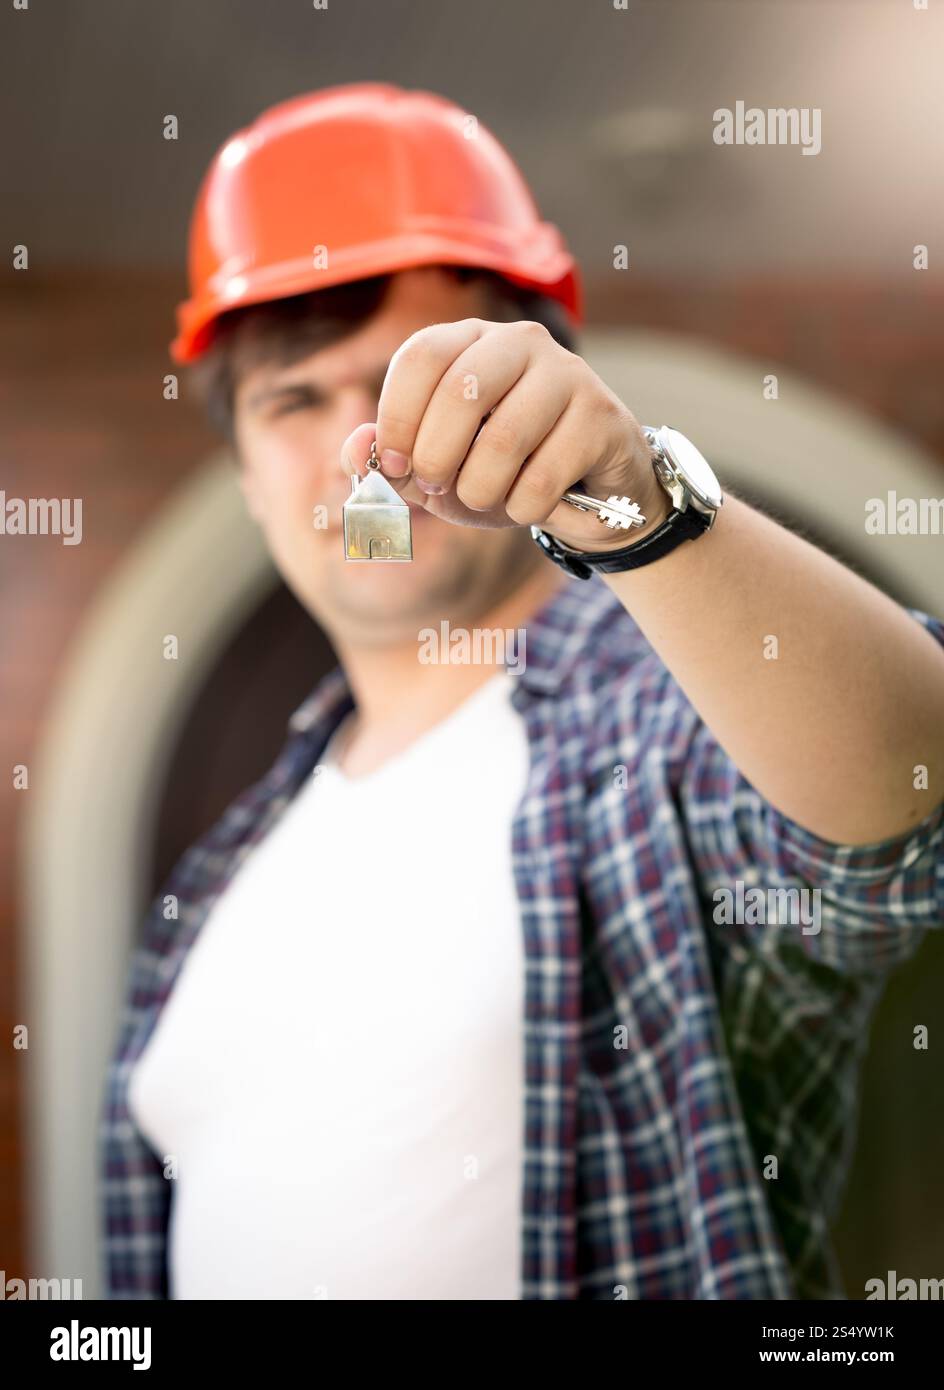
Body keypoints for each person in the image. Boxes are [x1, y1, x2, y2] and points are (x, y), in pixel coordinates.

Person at [99, 83, 944, 1301]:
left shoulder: (657, 711)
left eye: (409, 380)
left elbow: (906, 797)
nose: (367, 448)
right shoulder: (225, 868)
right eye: (296, 399)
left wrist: (641, 512)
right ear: (240, 471)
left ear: (533, 381)